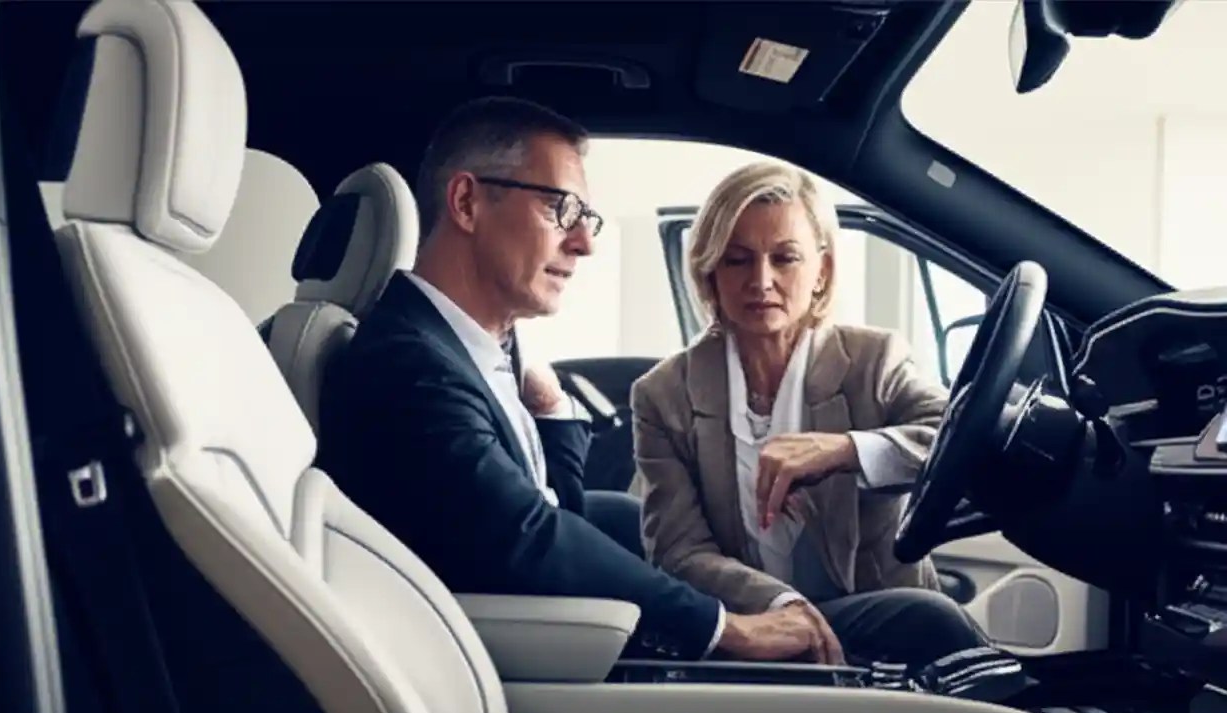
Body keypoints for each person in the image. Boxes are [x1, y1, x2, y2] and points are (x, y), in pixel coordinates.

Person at [318, 96, 837, 662]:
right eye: (560, 209)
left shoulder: (474, 350)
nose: (584, 243)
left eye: (585, 219)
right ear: (467, 202)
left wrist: (552, 416)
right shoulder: (408, 364)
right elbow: (527, 538)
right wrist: (729, 630)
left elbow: (551, 511)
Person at [631, 160, 991, 667]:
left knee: (929, 617)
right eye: (737, 260)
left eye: (785, 258)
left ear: (821, 270)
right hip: (756, 625)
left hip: (877, 613)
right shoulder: (663, 395)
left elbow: (960, 438)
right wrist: (781, 606)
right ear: (709, 271)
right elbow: (678, 552)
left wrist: (847, 449)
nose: (762, 280)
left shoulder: (874, 360)